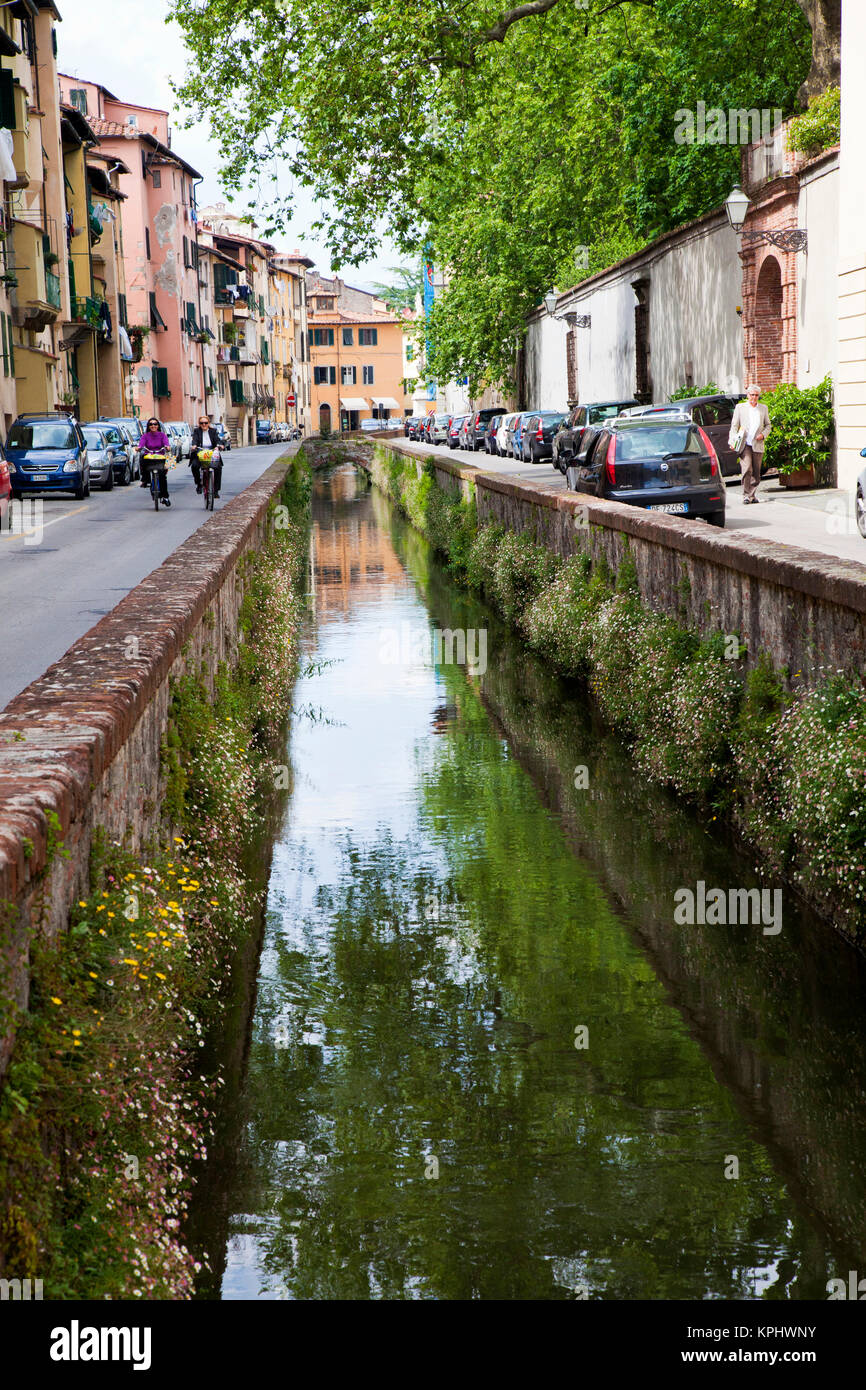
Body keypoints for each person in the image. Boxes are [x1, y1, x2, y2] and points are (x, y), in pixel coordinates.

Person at [729, 385, 772, 504]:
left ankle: (752, 495)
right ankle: (746, 495)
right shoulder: (740, 407)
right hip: (744, 443)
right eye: (752, 394)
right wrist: (732, 441)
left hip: (757, 443)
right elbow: (734, 426)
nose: (754, 397)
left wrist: (763, 435)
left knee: (756, 471)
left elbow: (768, 425)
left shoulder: (763, 408)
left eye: (756, 395)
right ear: (748, 395)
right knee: (747, 468)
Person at [139, 416, 172, 506]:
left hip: (160, 457)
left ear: (158, 426)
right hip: (148, 457)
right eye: (151, 424)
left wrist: (167, 447)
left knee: (162, 477)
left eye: (155, 424)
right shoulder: (145, 436)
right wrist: (139, 448)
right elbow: (141, 444)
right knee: (142, 457)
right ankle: (145, 479)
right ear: (148, 426)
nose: (153, 426)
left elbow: (166, 444)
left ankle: (165, 497)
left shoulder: (162, 435)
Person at [190, 415, 223, 497]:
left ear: (209, 423)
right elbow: (195, 440)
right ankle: (199, 484)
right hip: (199, 454)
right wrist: (194, 446)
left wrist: (219, 446)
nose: (204, 425)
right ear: (199, 424)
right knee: (194, 466)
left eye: (206, 423)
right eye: (201, 423)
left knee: (218, 467)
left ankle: (215, 490)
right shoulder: (197, 431)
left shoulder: (213, 431)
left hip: (211, 454)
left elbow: (217, 440)